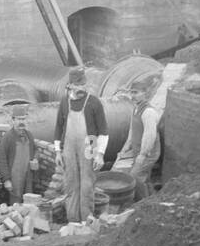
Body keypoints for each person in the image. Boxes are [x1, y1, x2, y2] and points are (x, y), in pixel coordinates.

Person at [53, 67, 109, 223]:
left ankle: (87, 219)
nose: (82, 87)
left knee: (87, 184)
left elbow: (103, 131)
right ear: (70, 85)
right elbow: (59, 126)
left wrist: (100, 154)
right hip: (68, 149)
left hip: (90, 145)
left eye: (84, 84)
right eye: (78, 85)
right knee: (71, 184)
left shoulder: (93, 102)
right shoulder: (65, 102)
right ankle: (72, 220)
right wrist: (58, 151)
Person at [116, 81, 162, 199]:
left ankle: (143, 203)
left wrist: (143, 154)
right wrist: (125, 148)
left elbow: (149, 136)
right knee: (144, 178)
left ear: (145, 93)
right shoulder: (136, 109)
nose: (133, 96)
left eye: (136, 93)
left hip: (149, 153)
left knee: (135, 177)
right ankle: (153, 198)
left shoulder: (148, 112)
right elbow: (132, 131)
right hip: (139, 151)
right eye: (131, 93)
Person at [0, 104, 39, 202]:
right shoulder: (8, 137)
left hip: (28, 175)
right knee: (15, 204)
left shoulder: (29, 135)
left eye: (23, 119)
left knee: (29, 201)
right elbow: (1, 159)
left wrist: (36, 158)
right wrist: (7, 180)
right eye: (19, 119)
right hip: (15, 178)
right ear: (13, 120)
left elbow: (36, 149)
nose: (22, 122)